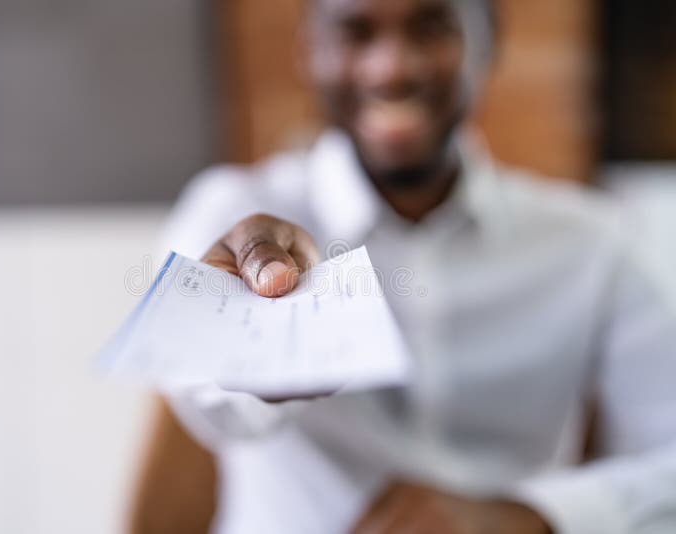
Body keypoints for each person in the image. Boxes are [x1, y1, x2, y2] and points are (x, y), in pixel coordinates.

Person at [131, 0, 676, 532]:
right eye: (355, 32)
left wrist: (528, 515)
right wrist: (248, 345)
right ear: (309, 51)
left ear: (486, 43)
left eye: (431, 25)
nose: (391, 67)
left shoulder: (595, 245)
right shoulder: (230, 213)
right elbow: (205, 403)